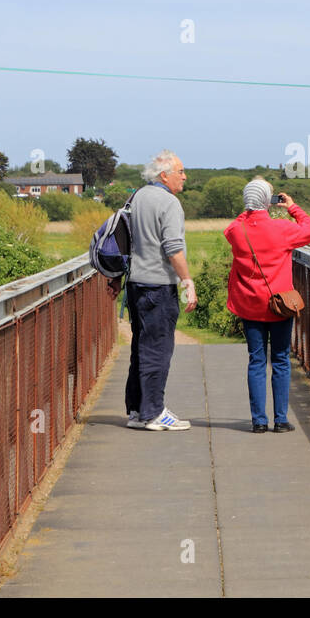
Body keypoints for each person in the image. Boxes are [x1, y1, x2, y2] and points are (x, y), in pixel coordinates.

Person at [223, 178, 310, 433]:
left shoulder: (236, 231)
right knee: (280, 360)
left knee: (256, 361)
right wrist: (292, 207)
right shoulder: (282, 229)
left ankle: (258, 422)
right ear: (268, 201)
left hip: (250, 306)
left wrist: (251, 208)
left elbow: (233, 226)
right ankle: (281, 420)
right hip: (279, 306)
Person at [113, 150, 197, 431]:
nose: (185, 177)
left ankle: (137, 410)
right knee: (158, 350)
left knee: (141, 346)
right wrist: (187, 281)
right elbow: (173, 248)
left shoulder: (137, 197)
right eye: (181, 172)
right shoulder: (169, 203)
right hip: (159, 285)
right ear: (165, 175)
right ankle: (154, 413)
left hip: (136, 283)